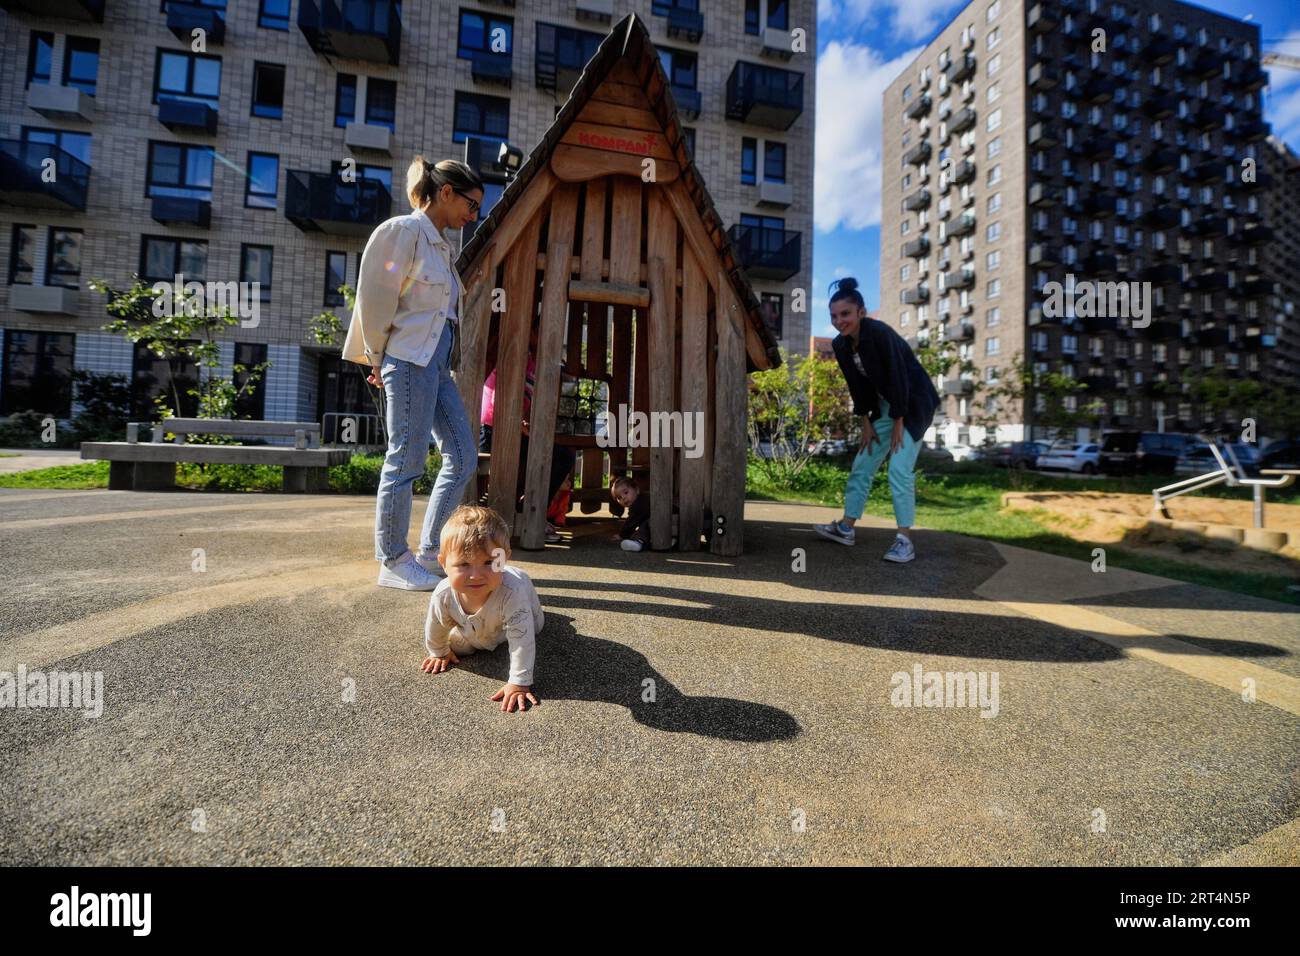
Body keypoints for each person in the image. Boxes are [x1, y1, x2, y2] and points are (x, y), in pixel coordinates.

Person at [343, 157, 484, 590]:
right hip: (405, 359)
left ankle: (428, 552)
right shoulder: (403, 232)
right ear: (445, 192)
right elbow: (376, 296)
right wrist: (377, 356)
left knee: (462, 454)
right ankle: (392, 558)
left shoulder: (441, 247)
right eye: (471, 204)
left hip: (435, 365)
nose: (473, 215)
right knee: (406, 458)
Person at [812, 277, 940, 563]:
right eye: (833, 316)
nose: (839, 321)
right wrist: (866, 422)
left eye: (845, 314)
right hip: (884, 407)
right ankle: (846, 528)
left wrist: (899, 421)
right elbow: (857, 387)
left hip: (913, 404)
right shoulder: (840, 344)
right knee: (863, 462)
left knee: (899, 468)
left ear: (861, 312)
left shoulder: (879, 333)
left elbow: (899, 376)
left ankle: (904, 540)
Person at [420, 506, 544, 714]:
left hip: (520, 599)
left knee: (534, 627)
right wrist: (439, 652)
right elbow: (436, 624)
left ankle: (531, 612)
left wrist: (519, 682)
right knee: (459, 647)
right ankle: (482, 630)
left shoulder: (513, 592)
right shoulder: (443, 594)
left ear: (504, 559)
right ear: (443, 563)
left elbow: (522, 639)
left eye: (489, 562)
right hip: (483, 621)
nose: (476, 575)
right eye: (463, 564)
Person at [480, 325, 576, 544]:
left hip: (507, 427)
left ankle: (528, 510)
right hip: (492, 429)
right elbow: (499, 402)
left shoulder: (534, 363)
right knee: (557, 456)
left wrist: (523, 423)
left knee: (559, 455)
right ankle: (529, 513)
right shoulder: (518, 356)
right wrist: (518, 424)